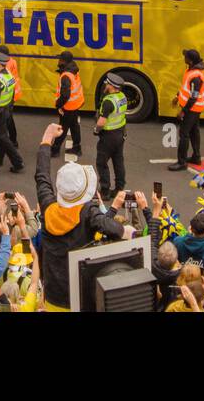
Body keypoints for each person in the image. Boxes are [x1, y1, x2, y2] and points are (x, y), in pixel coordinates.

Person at [34, 122, 133, 311]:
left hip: (53, 299)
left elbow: (42, 175)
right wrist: (126, 231)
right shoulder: (87, 212)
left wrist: (47, 139)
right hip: (80, 299)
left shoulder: (48, 208)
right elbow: (107, 225)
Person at [169, 48, 204, 171]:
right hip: (194, 108)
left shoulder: (196, 77)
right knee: (194, 131)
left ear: (190, 61)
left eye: (185, 57)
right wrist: (177, 96)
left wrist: (183, 111)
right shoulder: (191, 71)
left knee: (184, 134)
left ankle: (182, 162)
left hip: (192, 109)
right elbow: (186, 88)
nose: (184, 58)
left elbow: (193, 97)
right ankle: (196, 157)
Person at [0, 49, 24, 173]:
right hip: (7, 109)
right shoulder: (9, 76)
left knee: (3, 137)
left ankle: (18, 162)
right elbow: (12, 94)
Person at [93, 73, 128, 196]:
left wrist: (96, 130)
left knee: (101, 163)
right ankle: (119, 188)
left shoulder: (108, 102)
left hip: (109, 136)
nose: (105, 85)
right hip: (121, 133)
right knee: (118, 161)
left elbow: (102, 121)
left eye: (107, 83)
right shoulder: (122, 96)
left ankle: (105, 190)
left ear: (111, 86)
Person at [52, 50, 84, 158]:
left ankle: (55, 150)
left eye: (60, 59)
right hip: (76, 104)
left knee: (62, 128)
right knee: (74, 126)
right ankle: (77, 148)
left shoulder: (66, 76)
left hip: (69, 106)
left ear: (63, 61)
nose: (58, 61)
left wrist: (59, 105)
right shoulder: (74, 69)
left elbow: (65, 95)